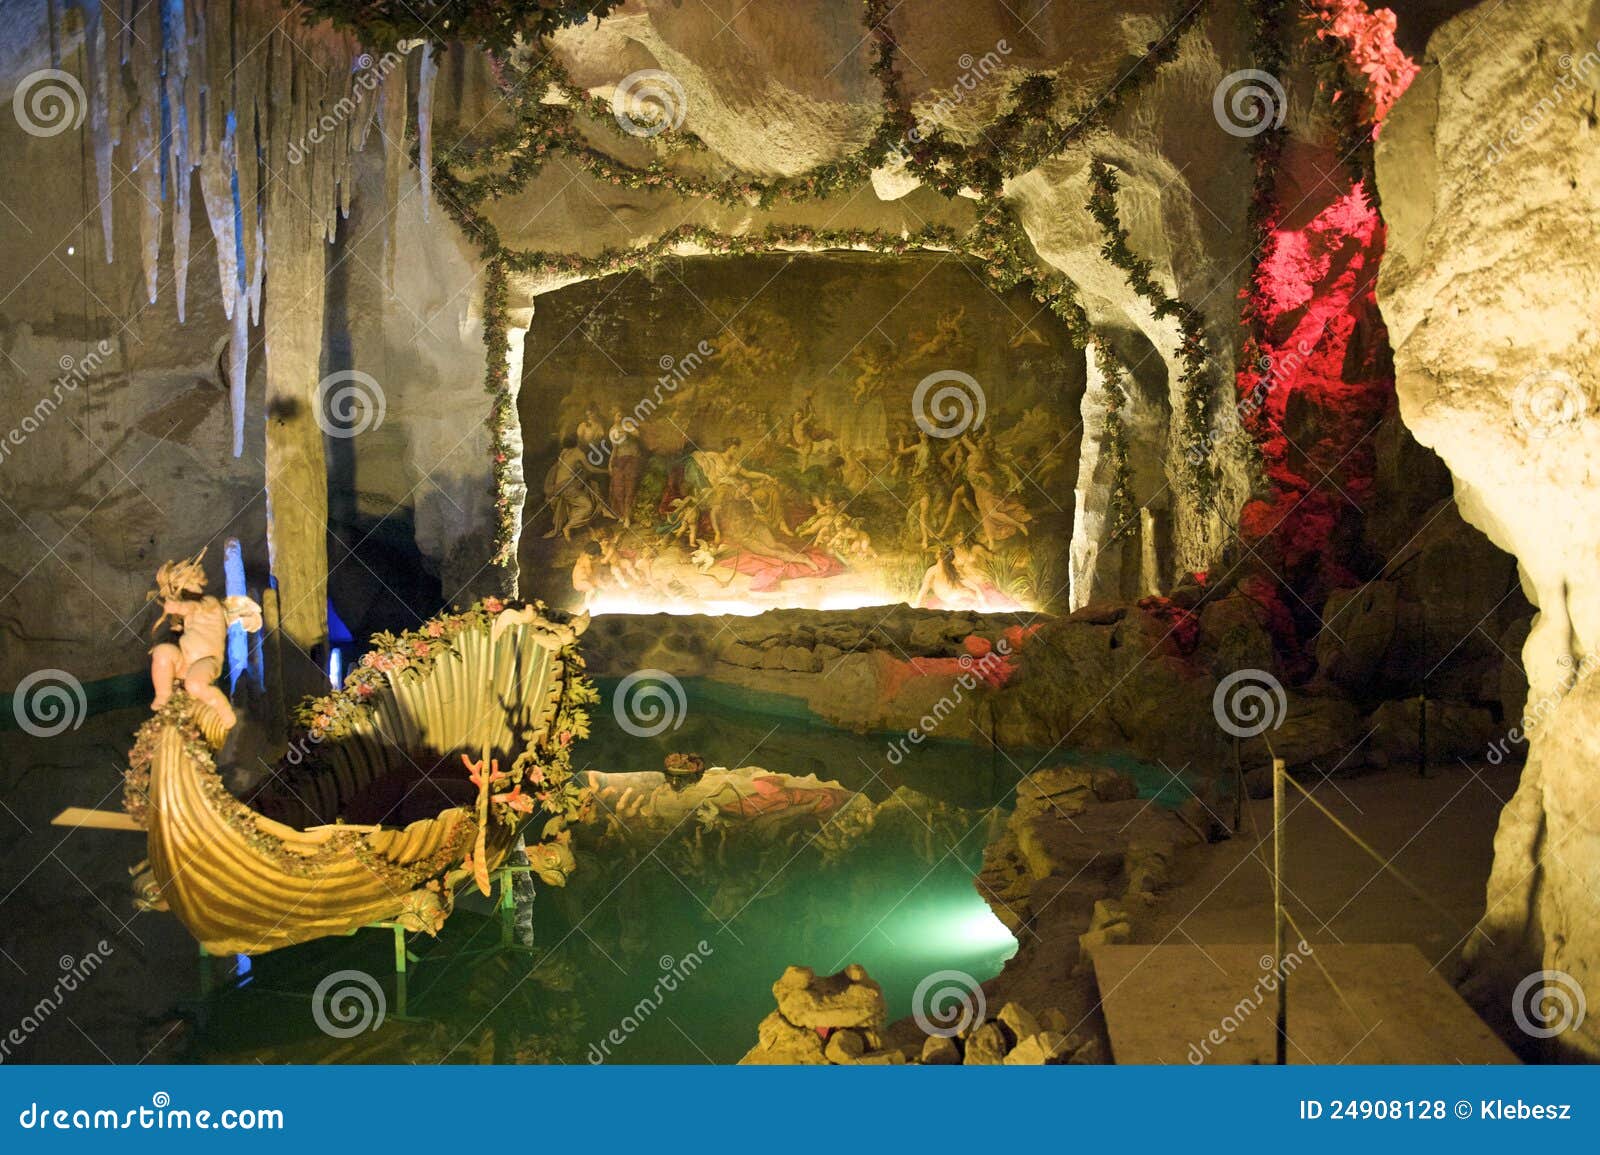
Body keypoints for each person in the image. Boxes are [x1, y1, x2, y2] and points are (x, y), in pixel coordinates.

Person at [147, 549, 262, 731]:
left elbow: (192, 608)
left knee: (195, 684)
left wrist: (176, 606)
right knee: (163, 652)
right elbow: (185, 616)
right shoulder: (189, 610)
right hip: (185, 662)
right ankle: (163, 696)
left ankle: (225, 713)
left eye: (182, 586)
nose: (182, 591)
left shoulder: (209, 603)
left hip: (206, 663)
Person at [544, 433, 610, 540]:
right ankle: (568, 527)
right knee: (587, 506)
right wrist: (606, 471)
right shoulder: (578, 452)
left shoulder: (564, 452)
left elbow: (565, 469)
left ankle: (601, 511)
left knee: (591, 486)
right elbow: (591, 469)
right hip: (568, 487)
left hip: (560, 487)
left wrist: (577, 471)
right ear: (577, 442)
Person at [606, 410, 643, 527]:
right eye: (617, 415)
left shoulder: (627, 424)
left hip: (632, 459)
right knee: (618, 489)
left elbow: (637, 434)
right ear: (613, 417)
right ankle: (622, 515)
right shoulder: (612, 430)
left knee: (629, 488)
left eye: (621, 414)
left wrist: (626, 429)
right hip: (619, 460)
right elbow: (614, 448)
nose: (620, 417)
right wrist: (610, 463)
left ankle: (628, 517)